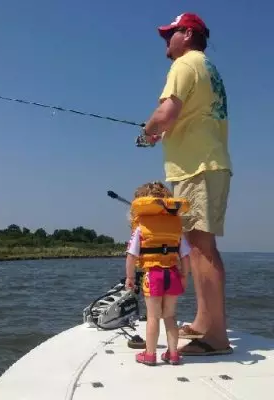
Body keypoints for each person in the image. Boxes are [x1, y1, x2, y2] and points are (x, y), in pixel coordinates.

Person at [140, 13, 233, 356]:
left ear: (188, 34)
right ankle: (203, 322)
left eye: (171, 33)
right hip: (208, 164)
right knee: (198, 246)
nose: (166, 40)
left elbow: (166, 113)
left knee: (200, 248)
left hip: (198, 167)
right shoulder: (208, 68)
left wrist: (147, 132)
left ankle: (215, 337)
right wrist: (158, 130)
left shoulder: (184, 65)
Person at [125, 181, 191, 366]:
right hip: (173, 275)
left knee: (153, 316)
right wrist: (185, 276)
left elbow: (131, 256)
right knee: (170, 316)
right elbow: (185, 256)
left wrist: (130, 278)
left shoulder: (141, 228)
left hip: (153, 276)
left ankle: (150, 354)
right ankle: (173, 354)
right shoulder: (176, 227)